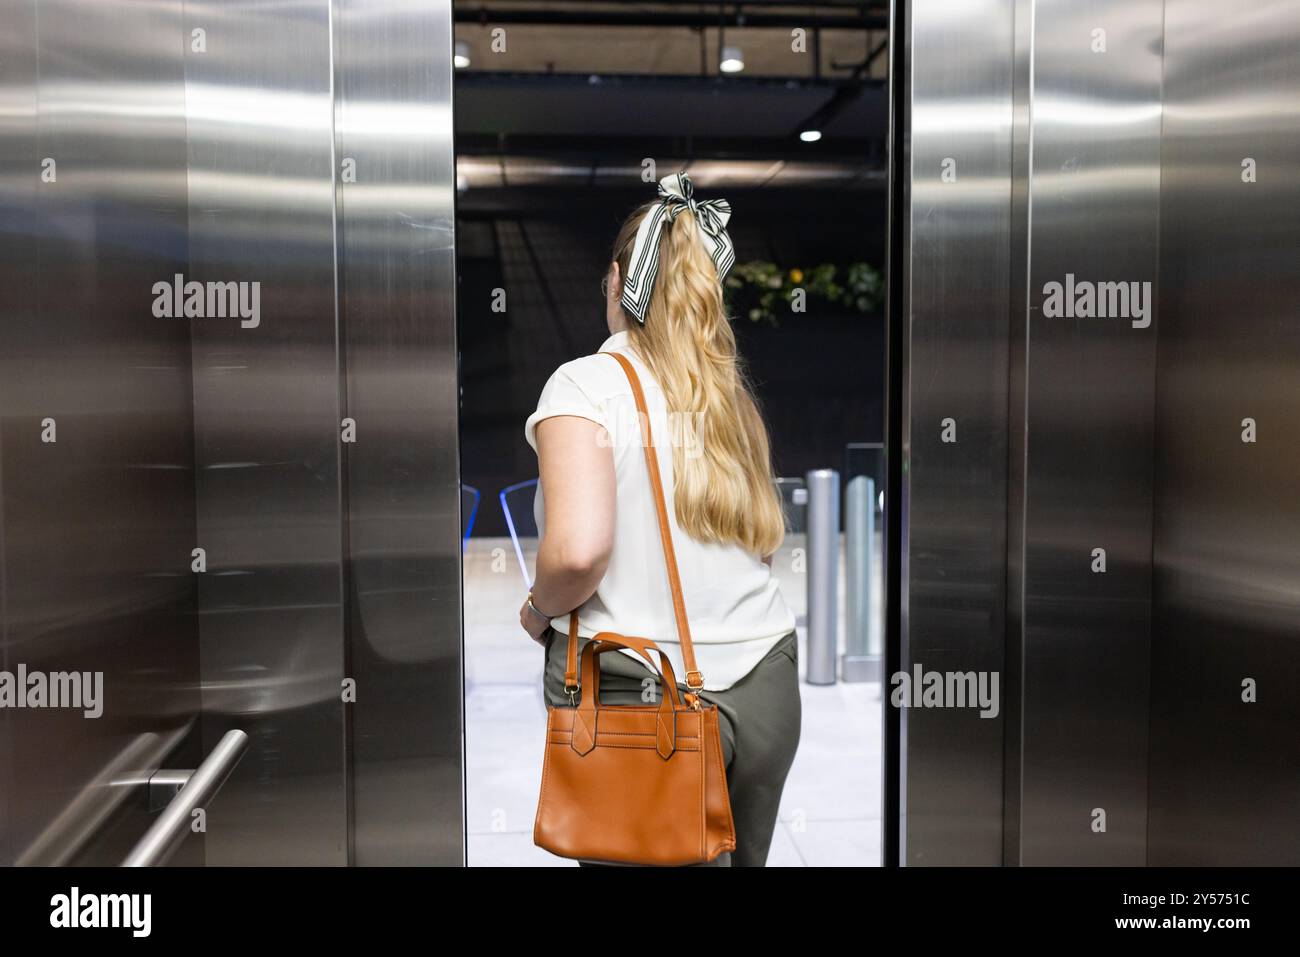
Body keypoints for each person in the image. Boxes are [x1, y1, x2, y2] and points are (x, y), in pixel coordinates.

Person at [519, 172, 801, 867]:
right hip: (767, 682)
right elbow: (760, 548)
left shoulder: (583, 384)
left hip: (642, 697)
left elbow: (579, 553)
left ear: (617, 280)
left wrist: (536, 610)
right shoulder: (728, 396)